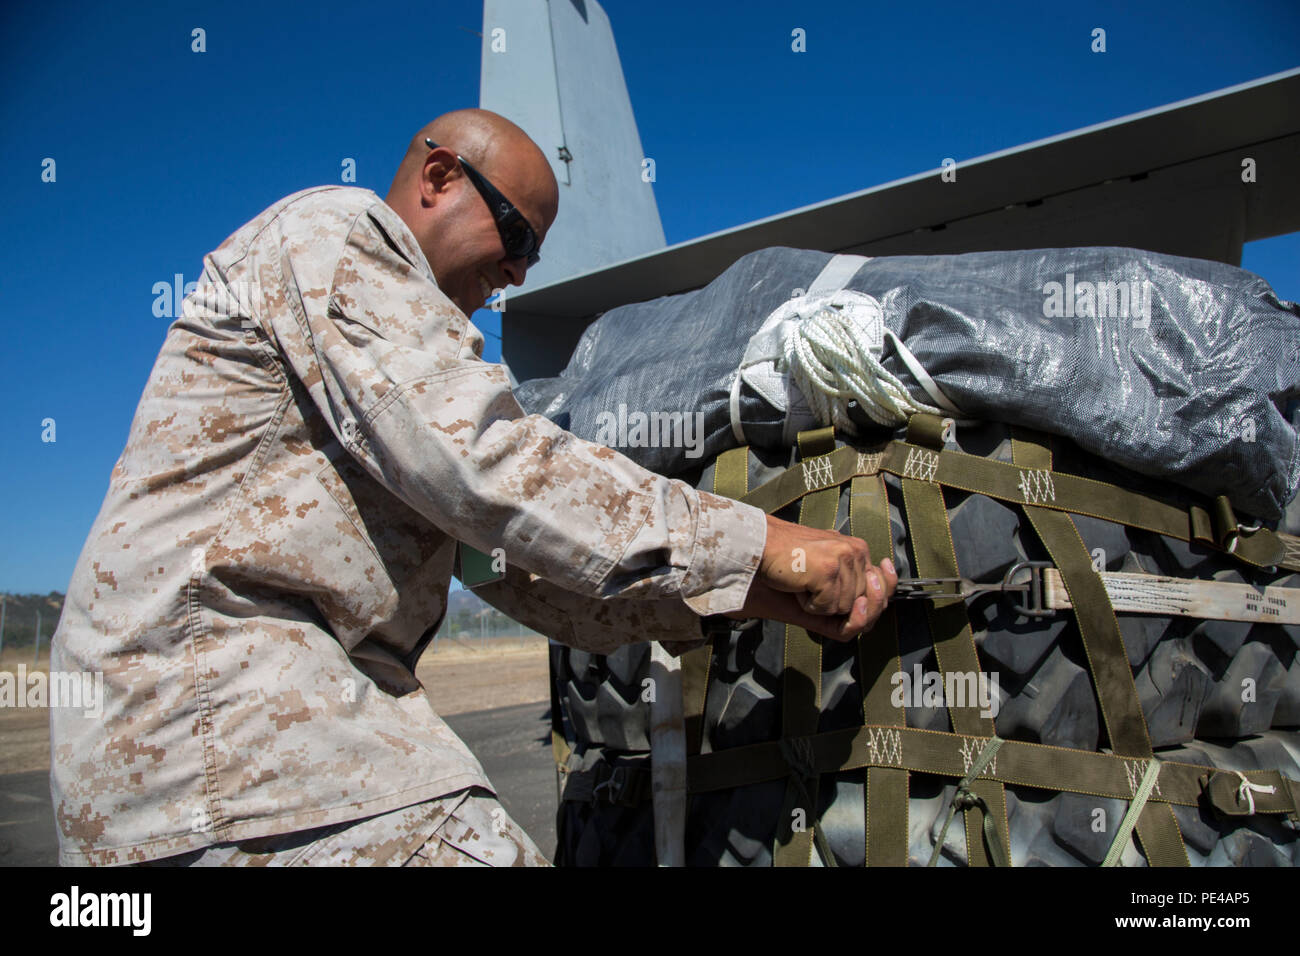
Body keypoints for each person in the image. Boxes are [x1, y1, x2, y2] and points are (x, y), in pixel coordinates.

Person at [50, 108, 898, 867]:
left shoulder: (382, 387)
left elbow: (516, 574)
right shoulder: (341, 234)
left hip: (196, 769)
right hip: (231, 741)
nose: (521, 275)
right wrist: (764, 542)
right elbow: (488, 461)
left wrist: (751, 594)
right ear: (439, 177)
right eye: (518, 237)